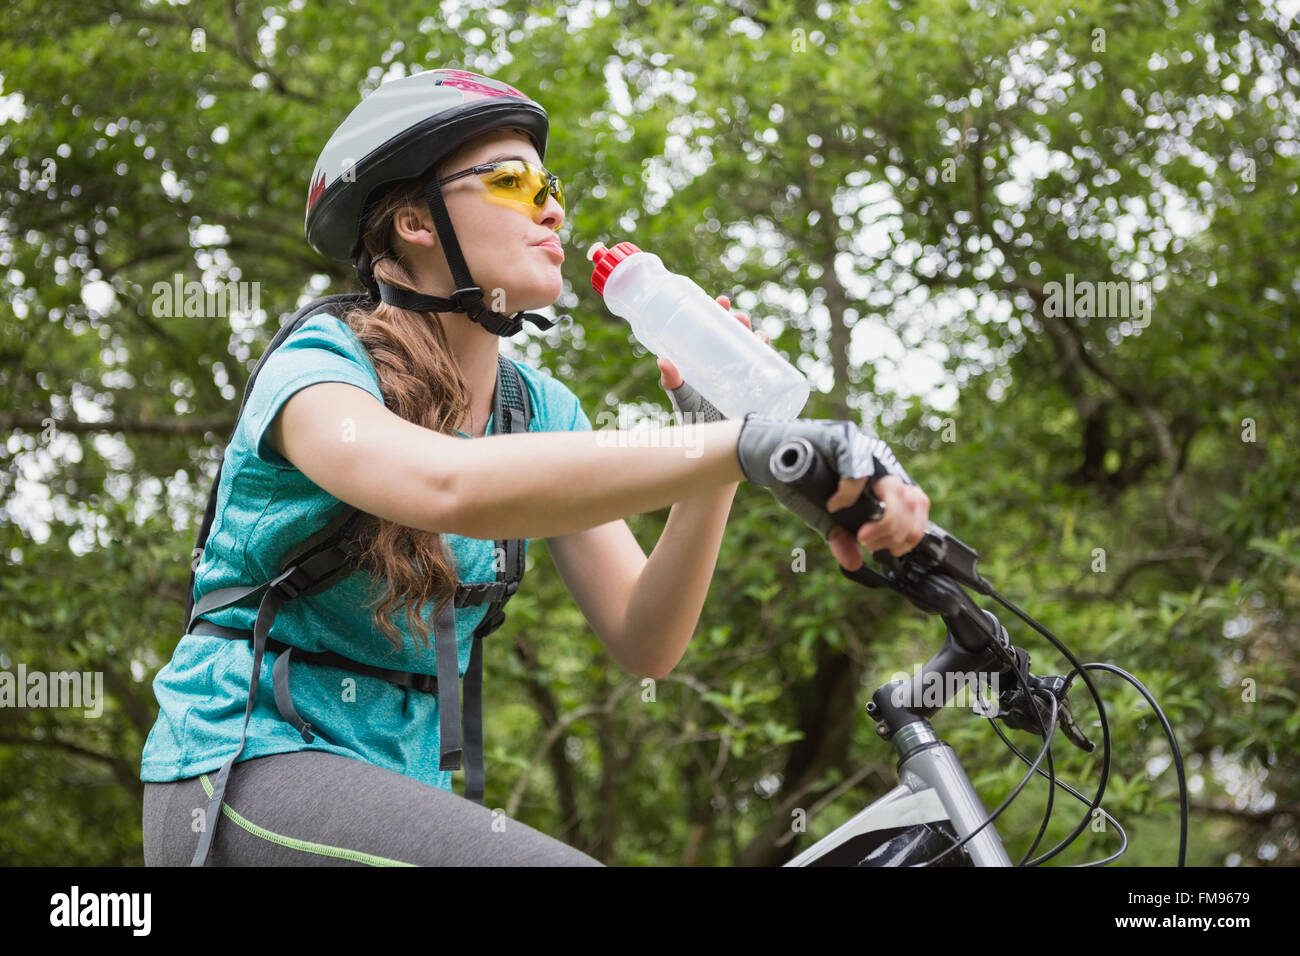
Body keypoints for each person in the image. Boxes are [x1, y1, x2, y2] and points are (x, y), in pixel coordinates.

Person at [139, 68, 931, 867]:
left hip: (399, 788)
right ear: (414, 220)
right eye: (512, 182)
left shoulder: (540, 409)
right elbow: (444, 484)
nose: (552, 207)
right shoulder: (320, 368)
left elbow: (645, 638)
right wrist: (750, 448)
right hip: (237, 771)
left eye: (549, 185)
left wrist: (717, 445)